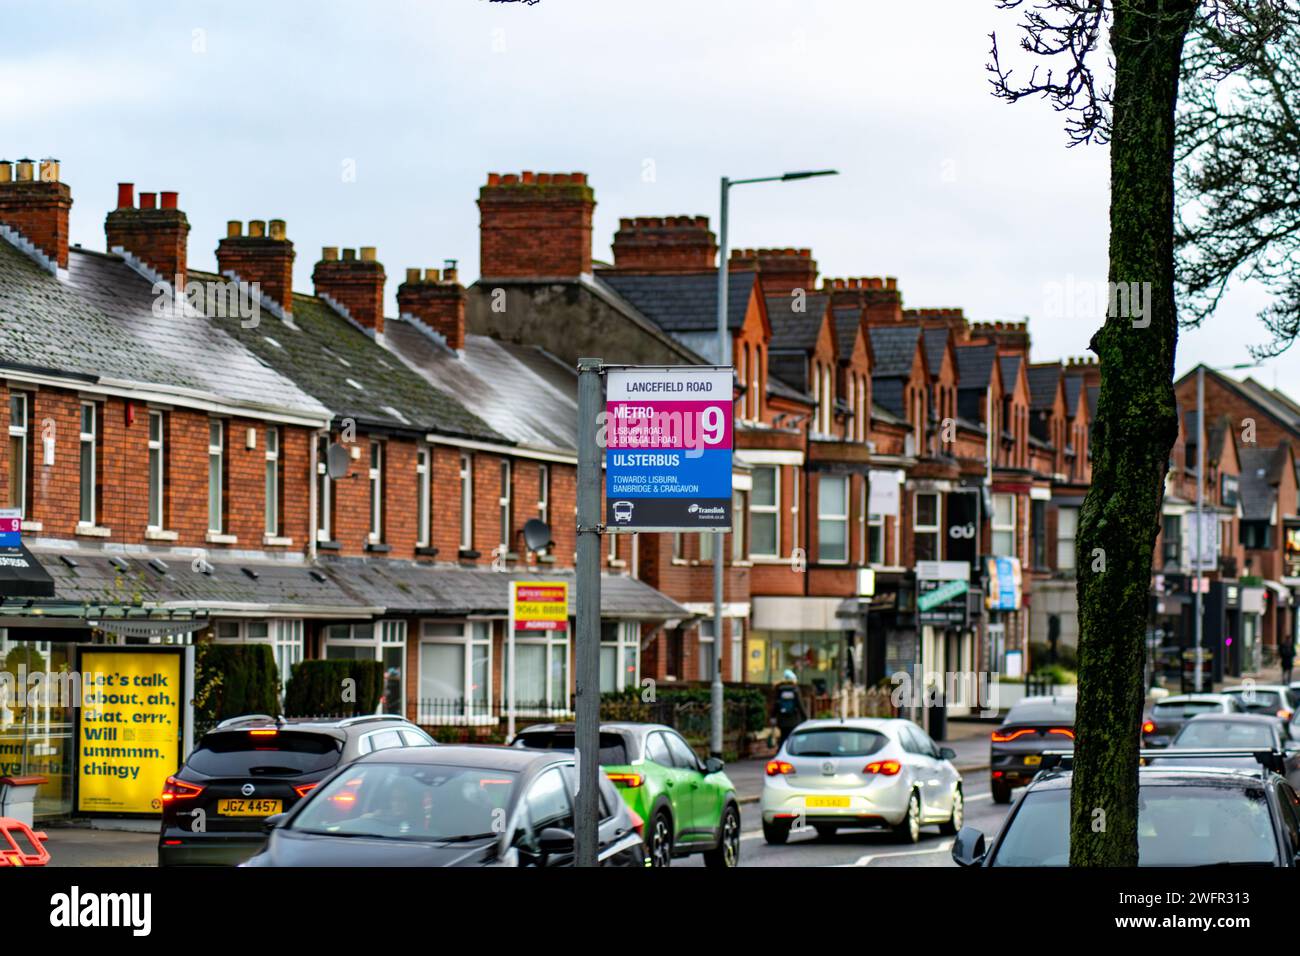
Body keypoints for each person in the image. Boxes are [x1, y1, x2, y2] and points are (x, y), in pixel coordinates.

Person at [773, 670, 806, 748]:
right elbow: (800, 704)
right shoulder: (795, 689)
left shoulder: (779, 689)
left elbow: (775, 704)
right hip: (794, 719)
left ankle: (781, 753)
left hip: (782, 719)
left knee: (783, 737)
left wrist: (773, 716)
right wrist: (805, 717)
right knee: (793, 738)